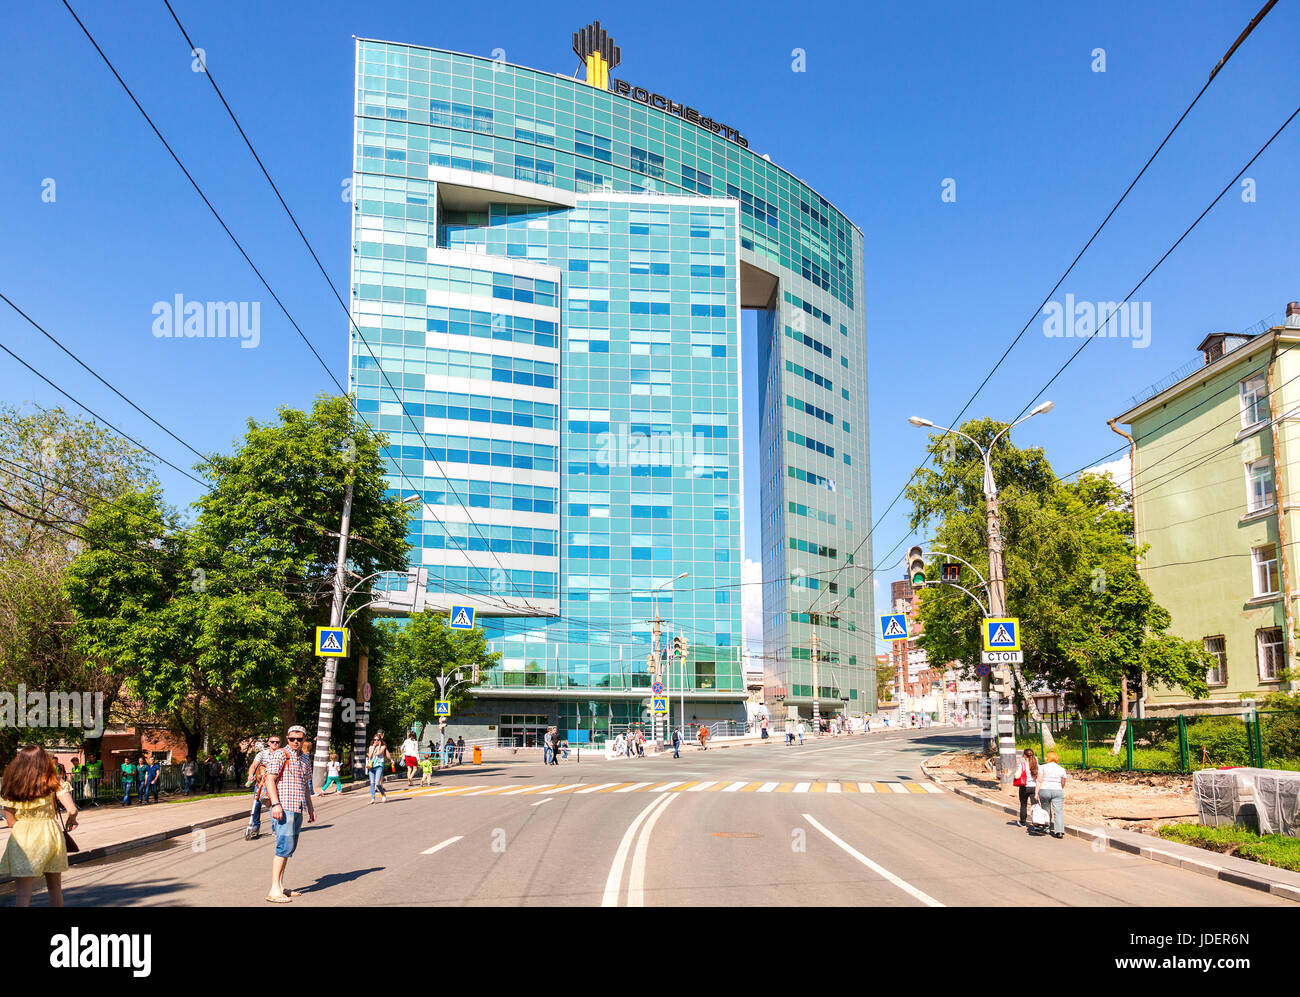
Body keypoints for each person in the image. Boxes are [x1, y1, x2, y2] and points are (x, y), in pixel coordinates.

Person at [0, 745, 79, 907]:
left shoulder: (12, 785)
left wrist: (25, 827)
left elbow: (10, 822)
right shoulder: (54, 781)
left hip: (21, 836)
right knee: (55, 888)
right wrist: (71, 821)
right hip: (49, 834)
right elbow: (72, 810)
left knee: (22, 894)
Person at [264, 725, 317, 903]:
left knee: (289, 848)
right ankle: (273, 889)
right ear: (287, 738)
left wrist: (310, 807)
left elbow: (306, 787)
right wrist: (276, 804)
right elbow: (270, 779)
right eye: (292, 739)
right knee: (283, 846)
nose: (295, 742)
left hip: (298, 807)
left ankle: (280, 886)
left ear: (304, 740)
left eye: (299, 739)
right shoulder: (280, 754)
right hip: (284, 806)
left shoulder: (304, 759)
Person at [245, 736, 280, 840]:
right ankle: (255, 828)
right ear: (268, 743)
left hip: (274, 784)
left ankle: (275, 828)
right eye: (272, 742)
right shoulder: (262, 754)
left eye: (277, 742)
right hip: (261, 783)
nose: (275, 743)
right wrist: (251, 775)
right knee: (256, 804)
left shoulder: (281, 754)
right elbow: (254, 765)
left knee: (272, 804)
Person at [1036, 750, 1069, 839]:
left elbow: (1039, 780)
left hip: (1044, 789)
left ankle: (1047, 828)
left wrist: (1036, 792)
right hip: (1057, 790)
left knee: (1046, 809)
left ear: (1047, 758)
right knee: (1058, 811)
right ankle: (1059, 831)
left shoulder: (1042, 767)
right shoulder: (1061, 769)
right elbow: (1063, 782)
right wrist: (1059, 788)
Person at [1015, 748, 1039, 827]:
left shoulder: (1022, 765)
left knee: (1023, 804)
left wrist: (1016, 773)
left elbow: (1017, 775)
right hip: (1034, 787)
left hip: (1024, 787)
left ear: (1025, 756)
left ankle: (1023, 822)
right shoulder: (1036, 765)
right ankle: (1036, 823)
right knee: (1035, 805)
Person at [366, 732, 390, 804]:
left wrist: (379, 746)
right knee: (372, 783)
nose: (376, 741)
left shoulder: (383, 746)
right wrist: (373, 748)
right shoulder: (371, 747)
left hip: (379, 766)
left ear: (380, 740)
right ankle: (373, 798)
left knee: (377, 783)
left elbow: (378, 754)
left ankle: (383, 794)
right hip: (372, 767)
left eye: (378, 740)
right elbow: (370, 756)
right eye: (374, 740)